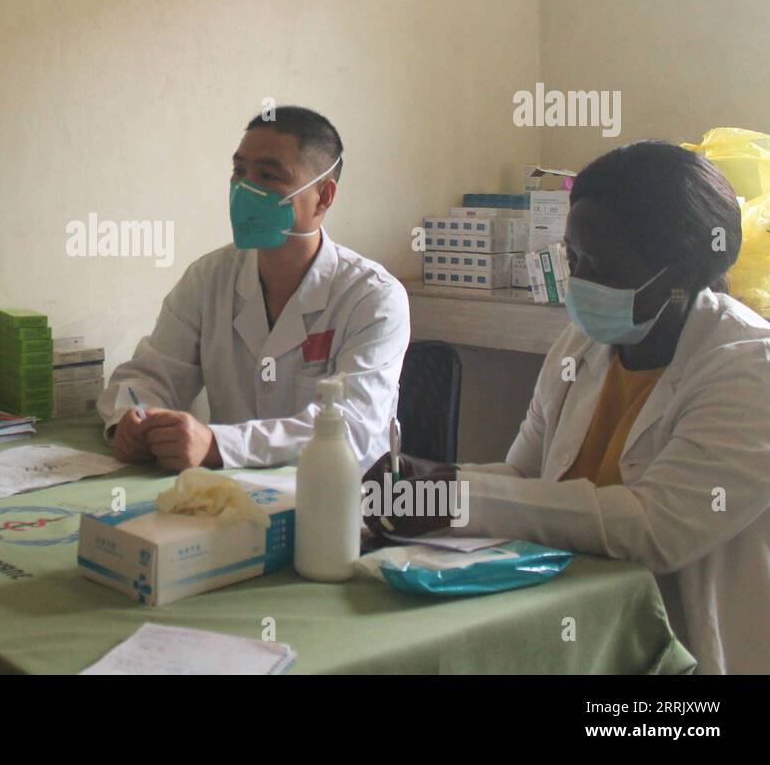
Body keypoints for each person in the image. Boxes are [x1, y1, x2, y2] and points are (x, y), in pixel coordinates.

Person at [366, 140, 770, 674]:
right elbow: (523, 474)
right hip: (572, 623)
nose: (579, 281)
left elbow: (654, 530)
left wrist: (456, 496)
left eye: (601, 264)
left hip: (683, 658)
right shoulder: (582, 344)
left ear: (678, 274)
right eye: (572, 258)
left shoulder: (747, 368)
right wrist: (421, 491)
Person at [97, 106, 410, 471]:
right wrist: (134, 419)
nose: (246, 189)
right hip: (229, 498)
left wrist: (216, 445)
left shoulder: (373, 298)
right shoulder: (208, 278)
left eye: (269, 175)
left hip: (339, 505)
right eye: (240, 171)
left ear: (323, 196)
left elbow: (349, 429)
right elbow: (149, 375)